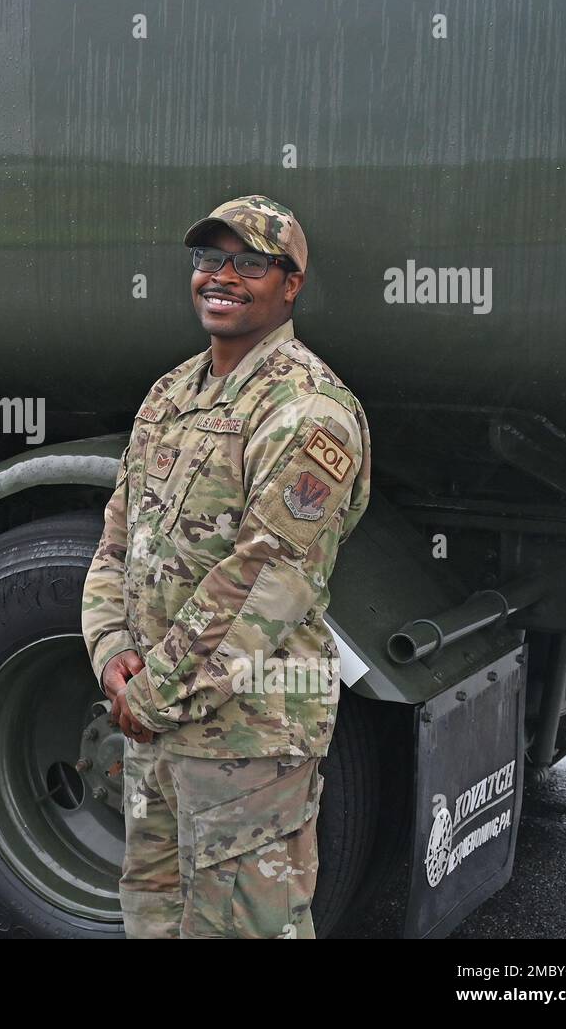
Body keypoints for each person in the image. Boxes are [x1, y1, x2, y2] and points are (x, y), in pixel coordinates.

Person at [81, 194, 371, 938]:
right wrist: (112, 650)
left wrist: (153, 695)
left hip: (247, 743)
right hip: (157, 731)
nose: (223, 276)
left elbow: (266, 581)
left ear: (291, 283)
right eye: (211, 258)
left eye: (249, 262)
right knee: (154, 914)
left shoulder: (308, 412)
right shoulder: (172, 396)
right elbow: (119, 538)